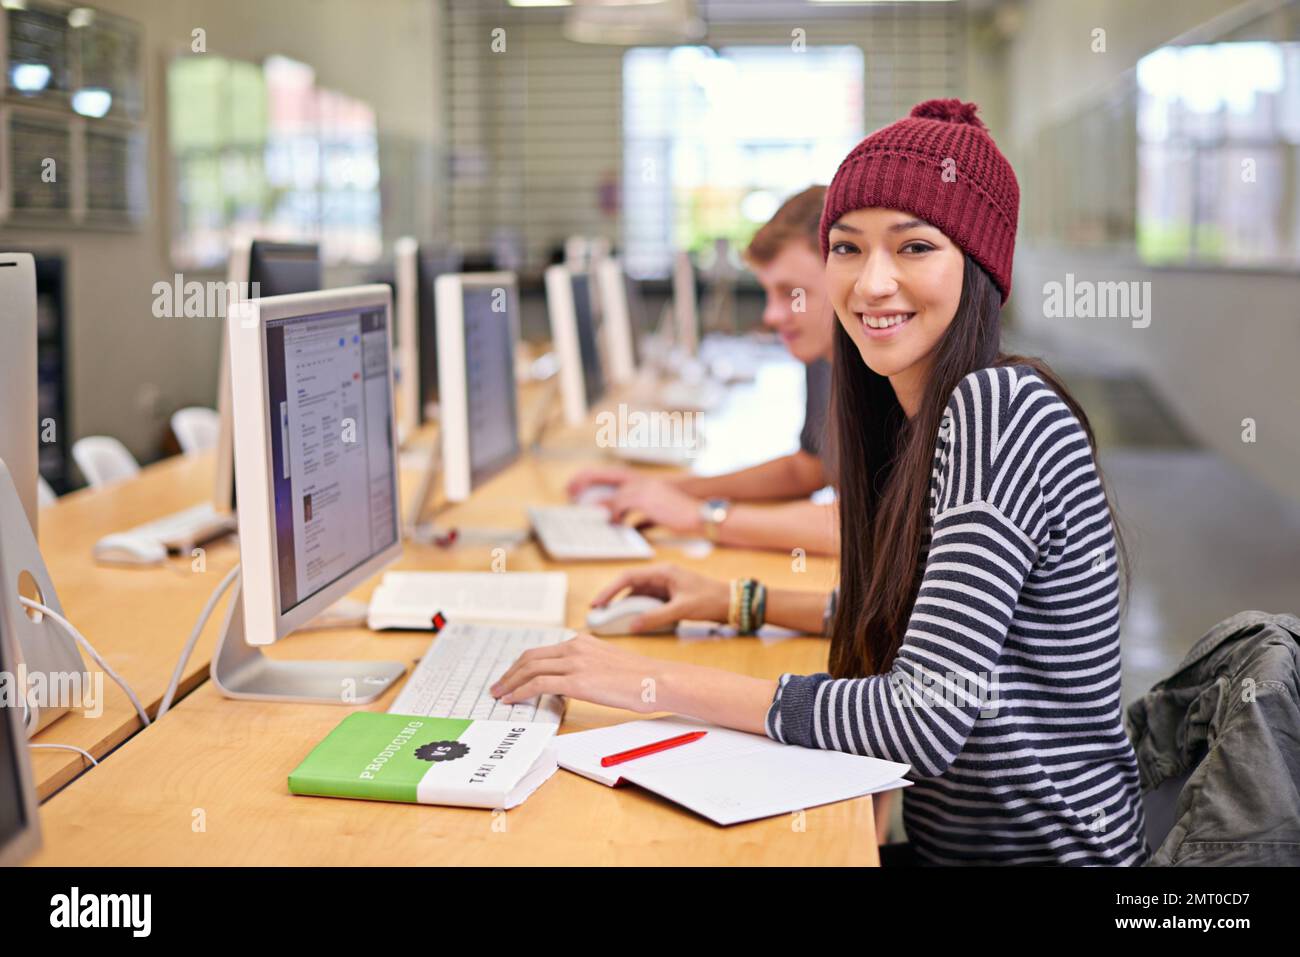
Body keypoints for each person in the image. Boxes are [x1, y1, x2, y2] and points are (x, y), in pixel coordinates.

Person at [494, 100, 1148, 866]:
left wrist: (643, 681)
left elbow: (920, 715)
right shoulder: (913, 407)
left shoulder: (996, 409)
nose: (872, 283)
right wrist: (741, 602)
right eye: (847, 248)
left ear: (977, 268)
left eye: (914, 247)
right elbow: (926, 622)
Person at [566, 186, 839, 555]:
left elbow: (865, 528)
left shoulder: (891, 371)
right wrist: (670, 491)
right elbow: (808, 470)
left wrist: (702, 517)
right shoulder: (825, 352)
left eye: (792, 294)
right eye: (769, 293)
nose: (771, 316)